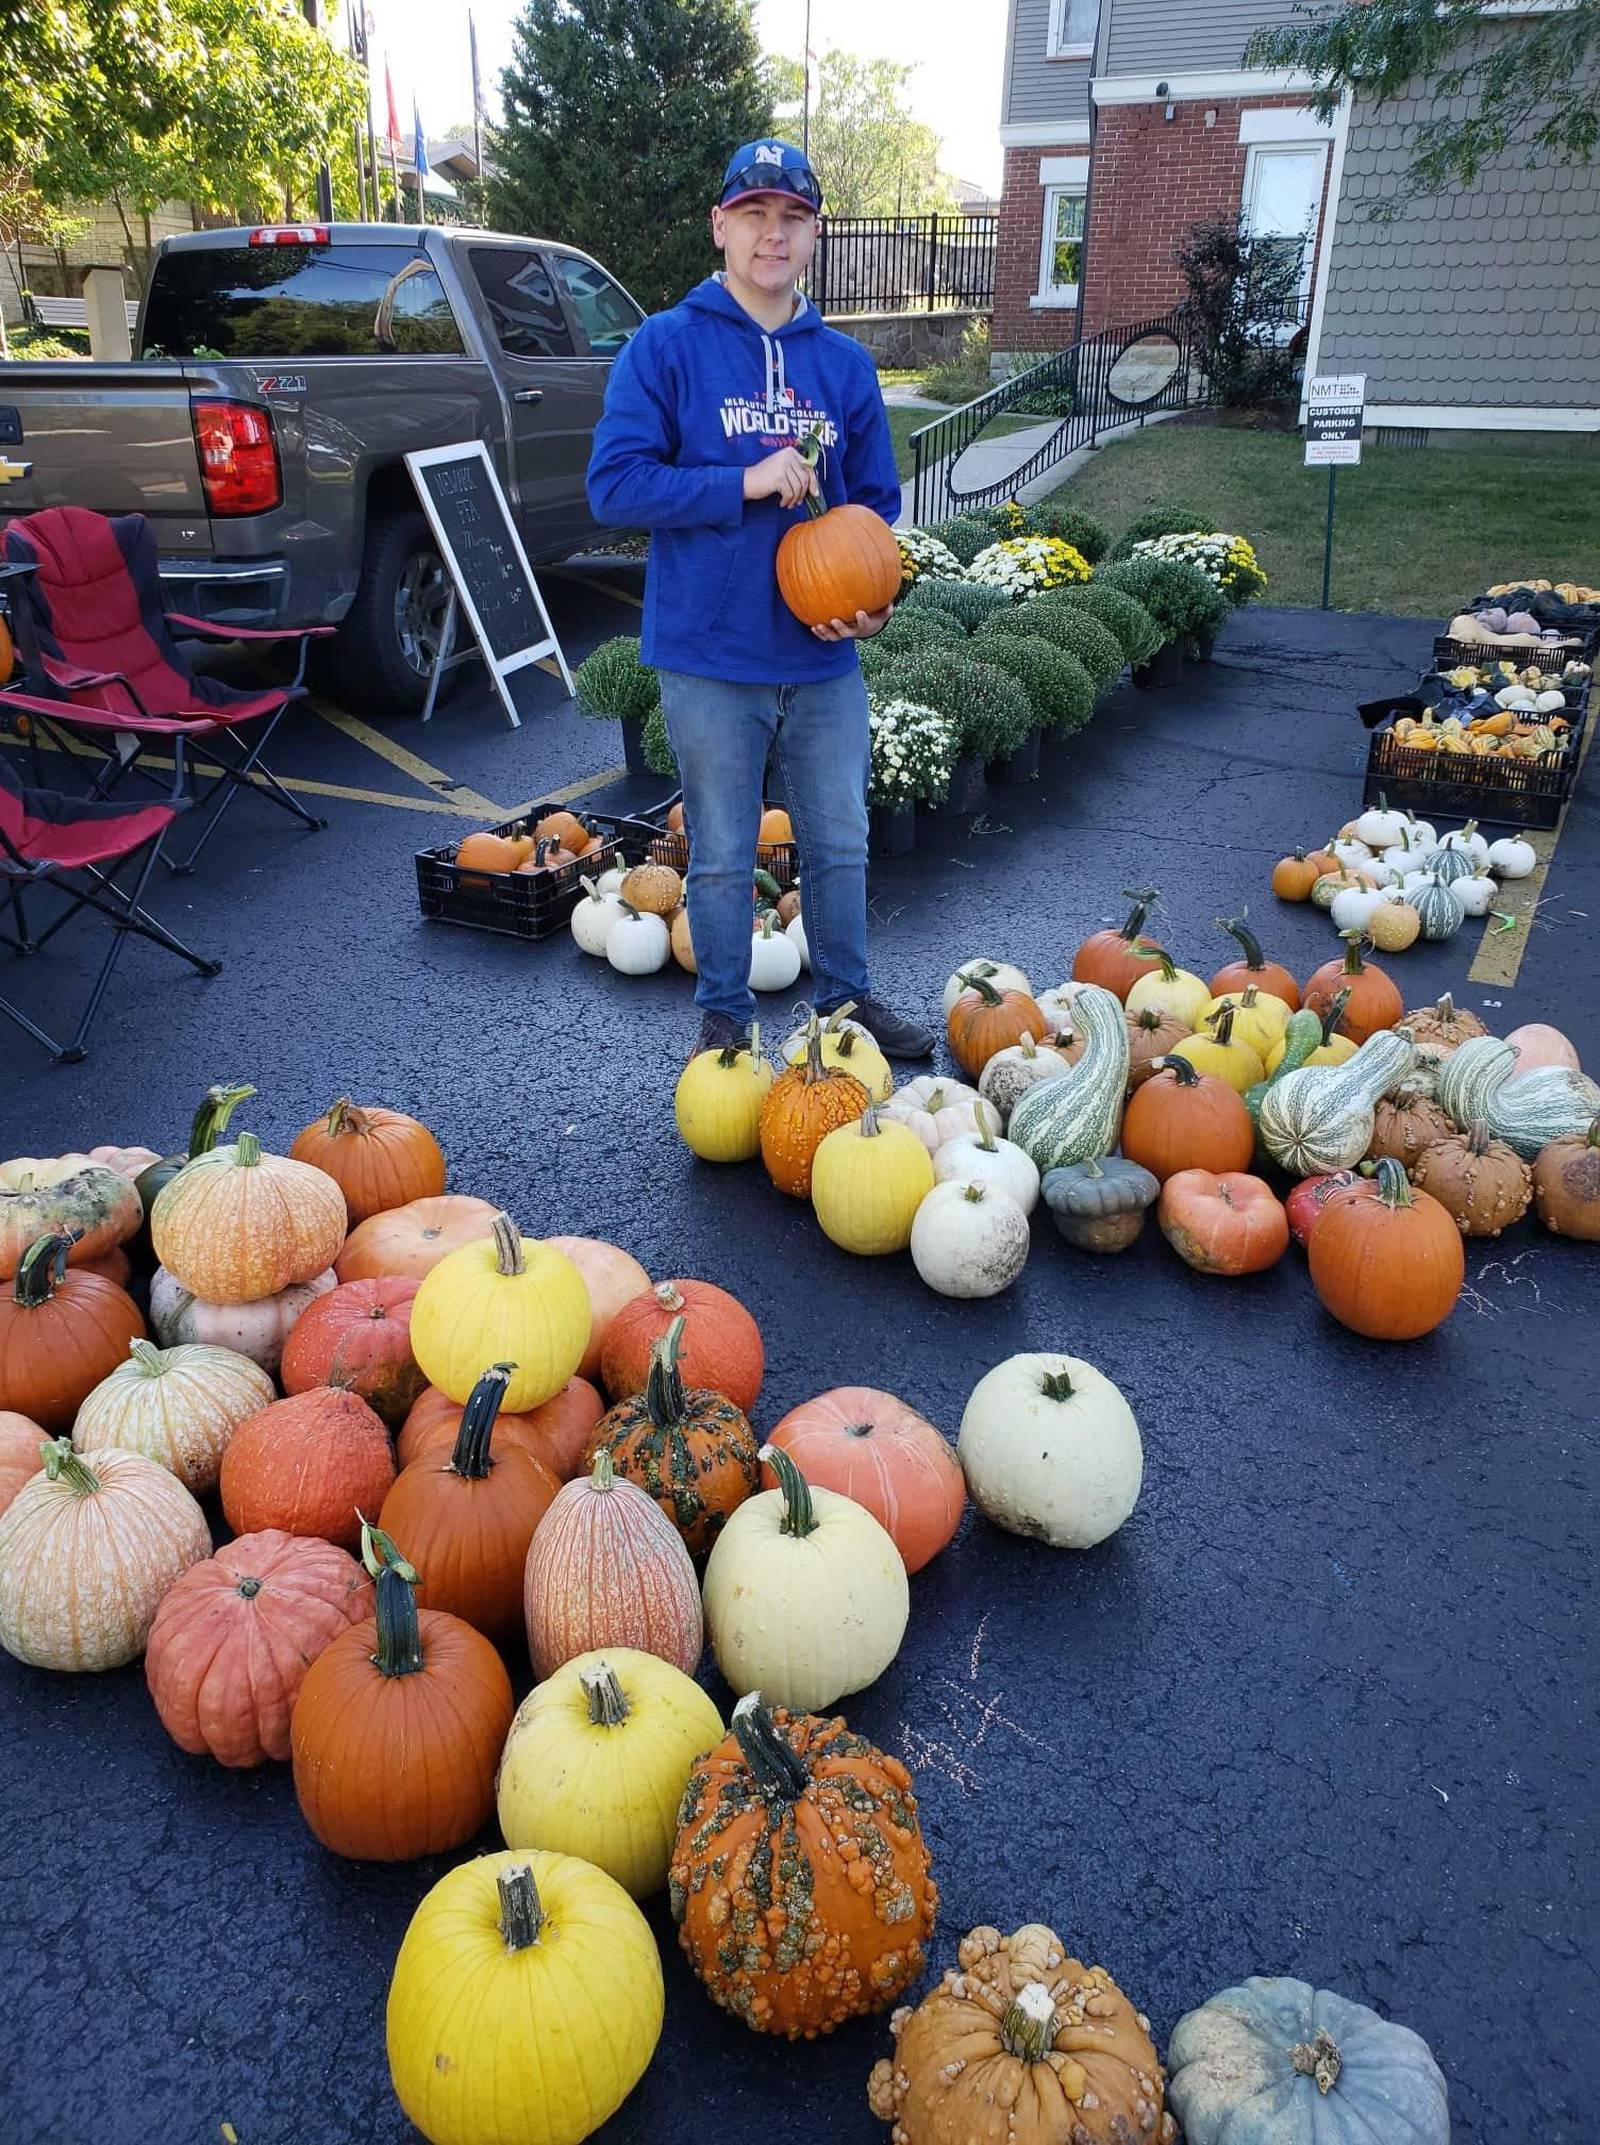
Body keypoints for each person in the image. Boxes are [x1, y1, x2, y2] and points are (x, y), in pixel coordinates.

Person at [586, 138, 935, 1062]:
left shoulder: (845, 366)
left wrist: (875, 608)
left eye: (791, 218)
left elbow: (876, 507)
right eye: (754, 216)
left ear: (814, 234)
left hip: (824, 655)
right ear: (721, 226)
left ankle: (850, 998)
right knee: (723, 852)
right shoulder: (667, 346)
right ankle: (726, 1014)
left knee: (841, 842)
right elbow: (613, 486)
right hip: (709, 654)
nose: (771, 235)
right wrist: (738, 484)